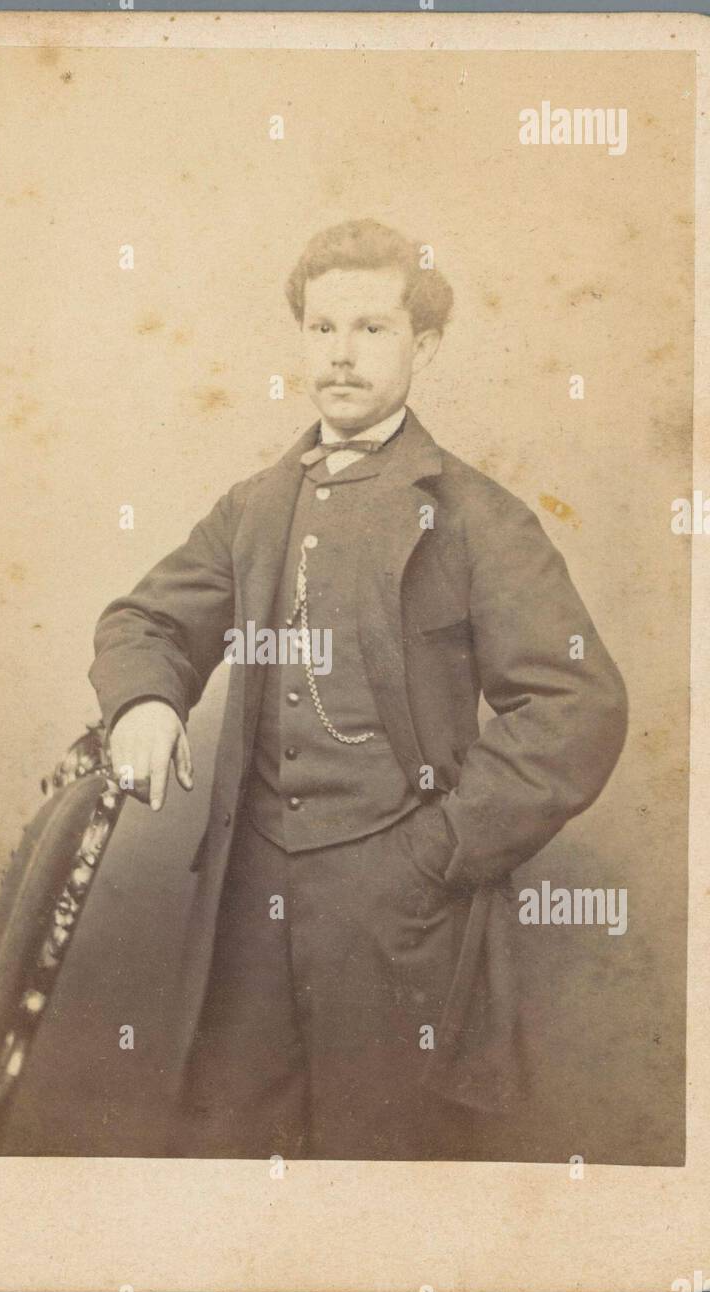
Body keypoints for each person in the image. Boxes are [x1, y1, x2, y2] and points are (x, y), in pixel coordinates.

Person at [89, 219, 628, 1160]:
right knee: (232, 1180)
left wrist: (441, 851)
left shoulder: (477, 518)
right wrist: (146, 701)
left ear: (425, 345)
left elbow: (578, 704)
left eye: (372, 330)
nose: (340, 354)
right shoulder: (254, 507)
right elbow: (146, 623)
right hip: (245, 908)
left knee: (386, 1177)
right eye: (322, 327)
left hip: (400, 919)